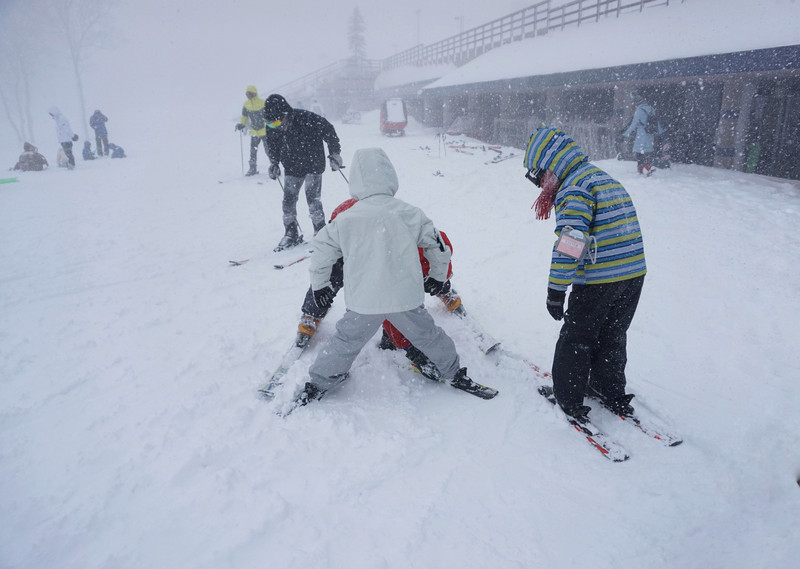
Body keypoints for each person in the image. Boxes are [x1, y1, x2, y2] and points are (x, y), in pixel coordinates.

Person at [295, 147, 477, 406]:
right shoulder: (410, 213)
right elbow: (438, 246)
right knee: (429, 336)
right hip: (405, 298)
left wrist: (320, 285)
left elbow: (322, 251)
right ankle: (453, 371)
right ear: (390, 176)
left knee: (345, 342)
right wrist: (438, 277)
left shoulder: (346, 218)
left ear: (356, 179)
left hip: (363, 302)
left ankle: (320, 381)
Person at [523, 126, 647, 421]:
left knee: (577, 338)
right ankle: (608, 388)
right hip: (632, 274)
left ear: (551, 165)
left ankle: (568, 398)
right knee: (612, 334)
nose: (540, 184)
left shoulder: (574, 187)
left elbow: (571, 241)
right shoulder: (601, 177)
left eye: (539, 175)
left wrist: (556, 291)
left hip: (600, 279)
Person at [294, 197, 463, 380]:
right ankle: (312, 313)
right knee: (330, 277)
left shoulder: (430, 243)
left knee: (420, 284)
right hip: (350, 236)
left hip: (370, 228)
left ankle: (443, 289)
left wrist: (441, 281)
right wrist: (407, 345)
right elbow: (385, 300)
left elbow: (441, 259)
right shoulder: (395, 254)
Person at [263, 93, 343, 251]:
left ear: (285, 114)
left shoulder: (307, 118)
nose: (275, 126)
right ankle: (290, 232)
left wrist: (334, 153)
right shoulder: (273, 125)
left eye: (277, 122)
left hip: (313, 163)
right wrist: (274, 162)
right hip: (292, 166)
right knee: (288, 200)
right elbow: (273, 144)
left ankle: (320, 231)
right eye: (271, 124)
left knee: (313, 199)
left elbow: (329, 130)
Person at [620, 91, 663, 176]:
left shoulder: (639, 111)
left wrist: (624, 135)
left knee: (639, 154)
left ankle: (642, 170)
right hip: (650, 136)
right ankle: (648, 168)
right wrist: (661, 133)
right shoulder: (651, 109)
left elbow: (633, 125)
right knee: (648, 154)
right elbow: (657, 123)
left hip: (641, 136)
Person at [235, 86, 268, 176]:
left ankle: (274, 167)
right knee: (253, 151)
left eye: (250, 93)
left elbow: (269, 115)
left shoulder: (263, 103)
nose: (249, 95)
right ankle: (252, 168)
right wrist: (242, 124)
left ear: (254, 93)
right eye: (247, 94)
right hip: (254, 132)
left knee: (269, 150)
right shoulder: (246, 105)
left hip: (265, 131)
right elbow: (244, 117)